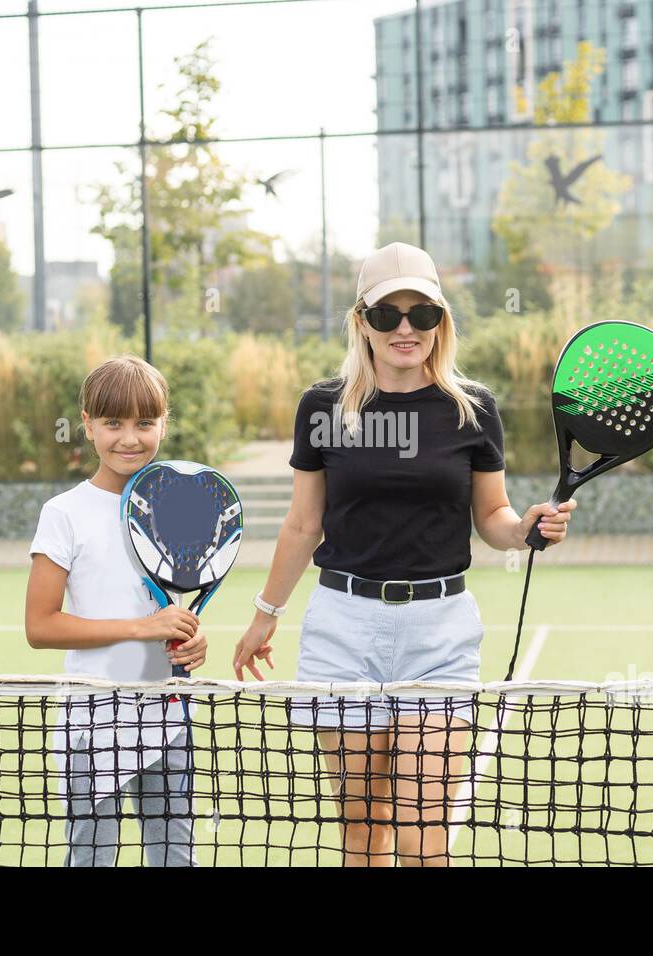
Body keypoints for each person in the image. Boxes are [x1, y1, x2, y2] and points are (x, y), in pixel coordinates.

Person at [232, 241, 575, 866]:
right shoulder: (324, 407)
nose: (405, 328)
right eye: (387, 314)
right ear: (361, 321)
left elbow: (492, 519)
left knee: (424, 836)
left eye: (423, 313)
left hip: (439, 632)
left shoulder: (471, 409)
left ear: (441, 322)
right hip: (343, 626)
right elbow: (303, 523)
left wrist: (524, 528)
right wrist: (265, 614)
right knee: (363, 831)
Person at [25, 355, 207, 867]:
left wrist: (192, 638)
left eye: (145, 423)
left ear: (164, 423)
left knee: (175, 859)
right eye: (113, 423)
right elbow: (40, 626)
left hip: (168, 716)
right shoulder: (63, 514)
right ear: (87, 424)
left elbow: (173, 609)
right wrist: (140, 629)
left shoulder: (179, 505)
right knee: (91, 859)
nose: (130, 438)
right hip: (92, 720)